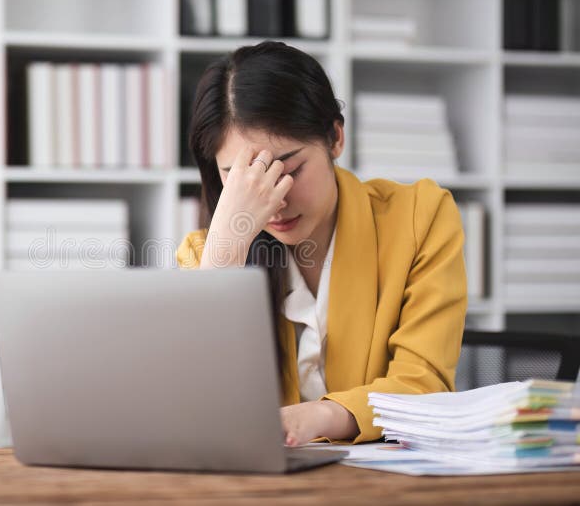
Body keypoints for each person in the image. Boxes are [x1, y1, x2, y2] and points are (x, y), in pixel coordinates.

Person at [176, 41, 467, 445]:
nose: (274, 199)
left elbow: (424, 383)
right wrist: (227, 249)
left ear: (335, 137)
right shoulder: (206, 255)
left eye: (290, 170)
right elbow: (191, 405)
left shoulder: (421, 218)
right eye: (241, 178)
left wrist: (322, 416)